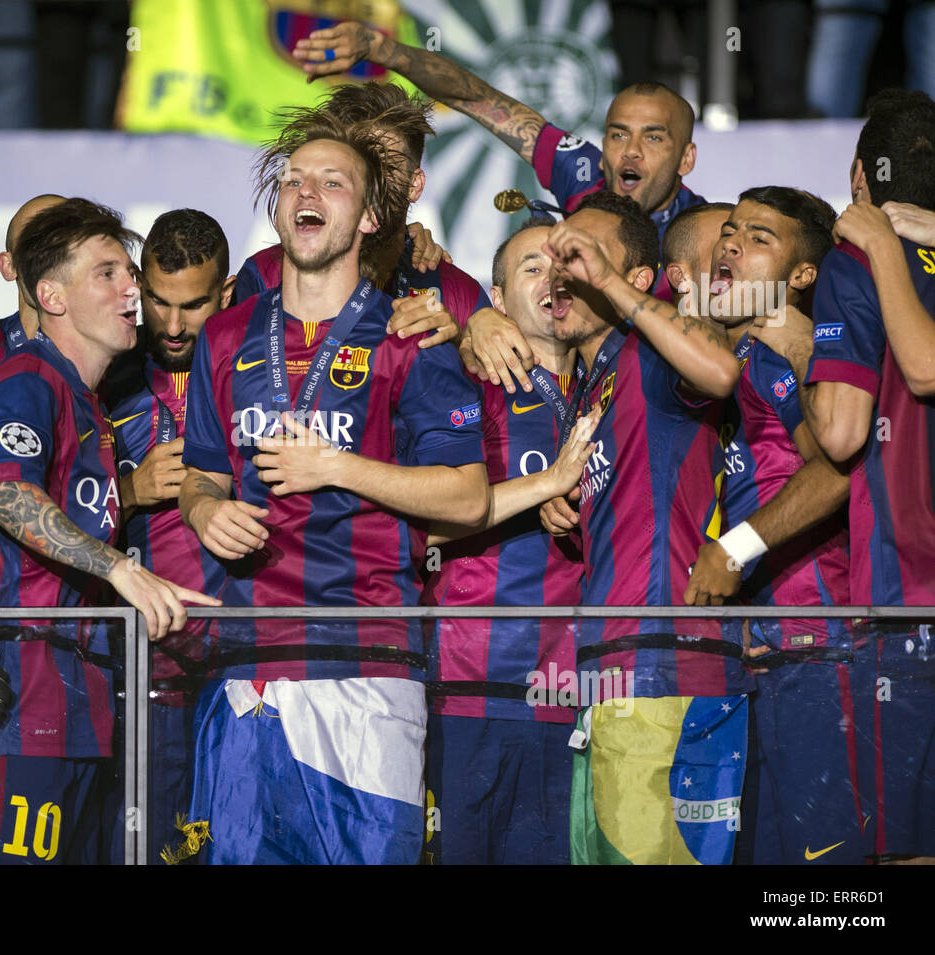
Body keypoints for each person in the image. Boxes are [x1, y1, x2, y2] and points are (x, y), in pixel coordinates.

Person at [175, 109, 488, 864]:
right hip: (244, 669)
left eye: (331, 181)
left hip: (365, 669)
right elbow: (200, 474)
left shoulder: (409, 335)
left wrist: (337, 467)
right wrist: (203, 507)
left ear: (371, 214)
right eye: (291, 180)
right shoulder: (225, 335)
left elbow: (469, 497)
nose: (305, 191)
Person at [0, 199, 218, 864]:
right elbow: (5, 493)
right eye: (107, 273)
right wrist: (121, 567)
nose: (131, 289)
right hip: (10, 708)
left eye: (129, 273)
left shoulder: (91, 405)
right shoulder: (26, 379)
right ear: (49, 295)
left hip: (78, 713)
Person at [536, 190, 752, 865]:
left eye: (582, 256)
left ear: (634, 279)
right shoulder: (594, 379)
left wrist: (609, 284)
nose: (561, 271)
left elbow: (720, 371)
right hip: (609, 675)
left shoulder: (653, 353)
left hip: (668, 670)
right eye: (554, 257)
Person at [752, 89, 935, 861]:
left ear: (859, 178)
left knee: (900, 850)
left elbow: (842, 429)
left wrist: (793, 348)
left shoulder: (855, 259)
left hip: (908, 602)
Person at [681, 187, 860, 865]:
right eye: (730, 230)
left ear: (803, 276)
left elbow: (837, 469)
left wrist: (738, 546)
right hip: (756, 654)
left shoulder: (795, 349)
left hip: (816, 641)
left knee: (829, 872)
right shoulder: (738, 355)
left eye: (760, 237)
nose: (732, 242)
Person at [294, 21, 706, 299]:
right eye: (618, 134)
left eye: (653, 138)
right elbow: (473, 97)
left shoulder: (705, 234)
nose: (631, 150)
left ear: (686, 159)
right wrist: (380, 48)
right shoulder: (581, 171)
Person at [421, 219, 595, 864]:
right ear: (495, 299)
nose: (553, 277)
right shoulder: (465, 386)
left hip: (586, 690)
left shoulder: (612, 385)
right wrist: (539, 490)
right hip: (476, 684)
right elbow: (414, 525)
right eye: (531, 267)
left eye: (563, 263)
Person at [106, 208, 235, 861]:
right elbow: (32, 506)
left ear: (228, 292)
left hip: (243, 668)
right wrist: (128, 491)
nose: (174, 324)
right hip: (141, 667)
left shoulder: (260, 369)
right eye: (158, 301)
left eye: (194, 305)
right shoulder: (102, 374)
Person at [234, 82, 489, 343]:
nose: (368, 183)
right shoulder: (264, 274)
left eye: (385, 166)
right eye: (349, 169)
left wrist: (460, 346)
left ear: (415, 186)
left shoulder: (457, 294)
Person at [0, 193, 68, 380]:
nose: (53, 255)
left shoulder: (115, 359)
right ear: (8, 266)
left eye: (67, 242)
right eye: (36, 242)